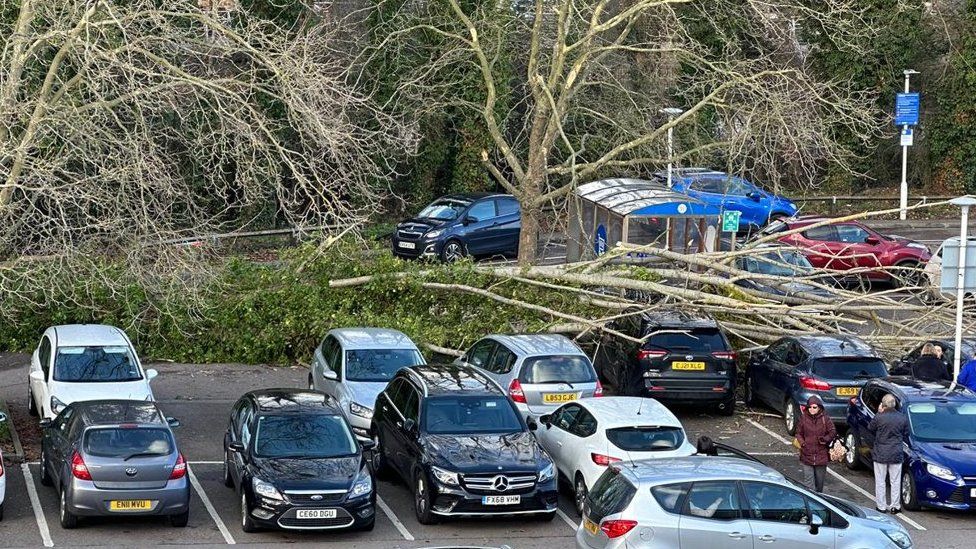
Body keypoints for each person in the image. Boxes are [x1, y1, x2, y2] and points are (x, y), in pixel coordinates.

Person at [868, 394, 910, 513]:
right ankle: (895, 506)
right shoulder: (902, 418)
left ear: (883, 404)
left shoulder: (879, 417)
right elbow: (906, 433)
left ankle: (881, 506)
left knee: (880, 481)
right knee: (895, 481)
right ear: (894, 404)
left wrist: (878, 413)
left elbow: (871, 428)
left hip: (880, 453)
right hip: (896, 452)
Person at [795, 395, 836, 492]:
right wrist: (803, 443)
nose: (812, 409)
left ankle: (819, 502)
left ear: (819, 407)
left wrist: (825, 439)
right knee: (809, 485)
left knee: (819, 484)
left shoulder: (825, 419)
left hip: (821, 456)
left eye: (814, 407)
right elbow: (798, 433)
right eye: (810, 407)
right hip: (807, 455)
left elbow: (832, 432)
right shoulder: (803, 418)